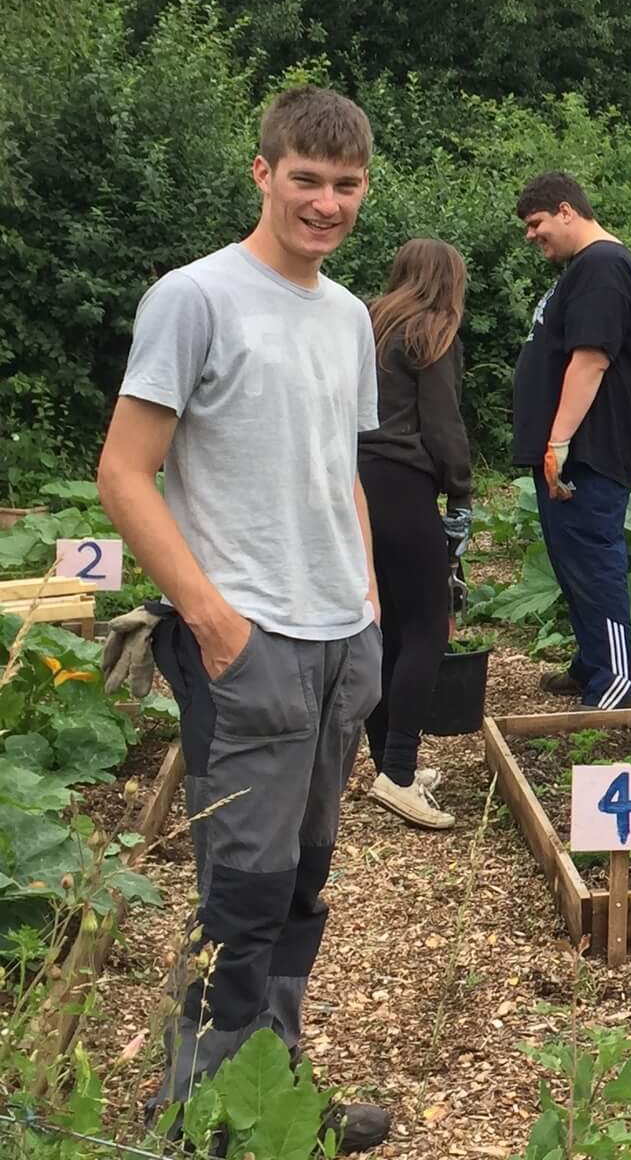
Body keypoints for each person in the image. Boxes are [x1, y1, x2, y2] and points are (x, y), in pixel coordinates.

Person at [96, 85, 390, 1150]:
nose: (325, 203)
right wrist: (214, 620)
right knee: (243, 896)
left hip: (339, 639)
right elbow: (124, 472)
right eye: (306, 179)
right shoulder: (197, 298)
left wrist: (367, 605)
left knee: (302, 886)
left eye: (345, 185)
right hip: (250, 641)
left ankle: (274, 1099)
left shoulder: (348, 316)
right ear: (263, 173)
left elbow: (340, 469)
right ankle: (200, 1120)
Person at [512, 171, 631, 710]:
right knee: (571, 561)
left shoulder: (603, 266)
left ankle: (616, 682)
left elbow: (591, 360)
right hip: (571, 450)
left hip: (590, 449)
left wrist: (559, 442)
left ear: (567, 211)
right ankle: (592, 662)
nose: (531, 235)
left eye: (537, 223)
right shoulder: (586, 267)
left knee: (593, 561)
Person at [357, 237, 472, 829]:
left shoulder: (365, 322)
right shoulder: (433, 332)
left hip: (353, 484)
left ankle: (387, 762)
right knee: (428, 627)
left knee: (386, 629)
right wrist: (461, 493)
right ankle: (400, 774)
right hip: (404, 485)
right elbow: (442, 424)